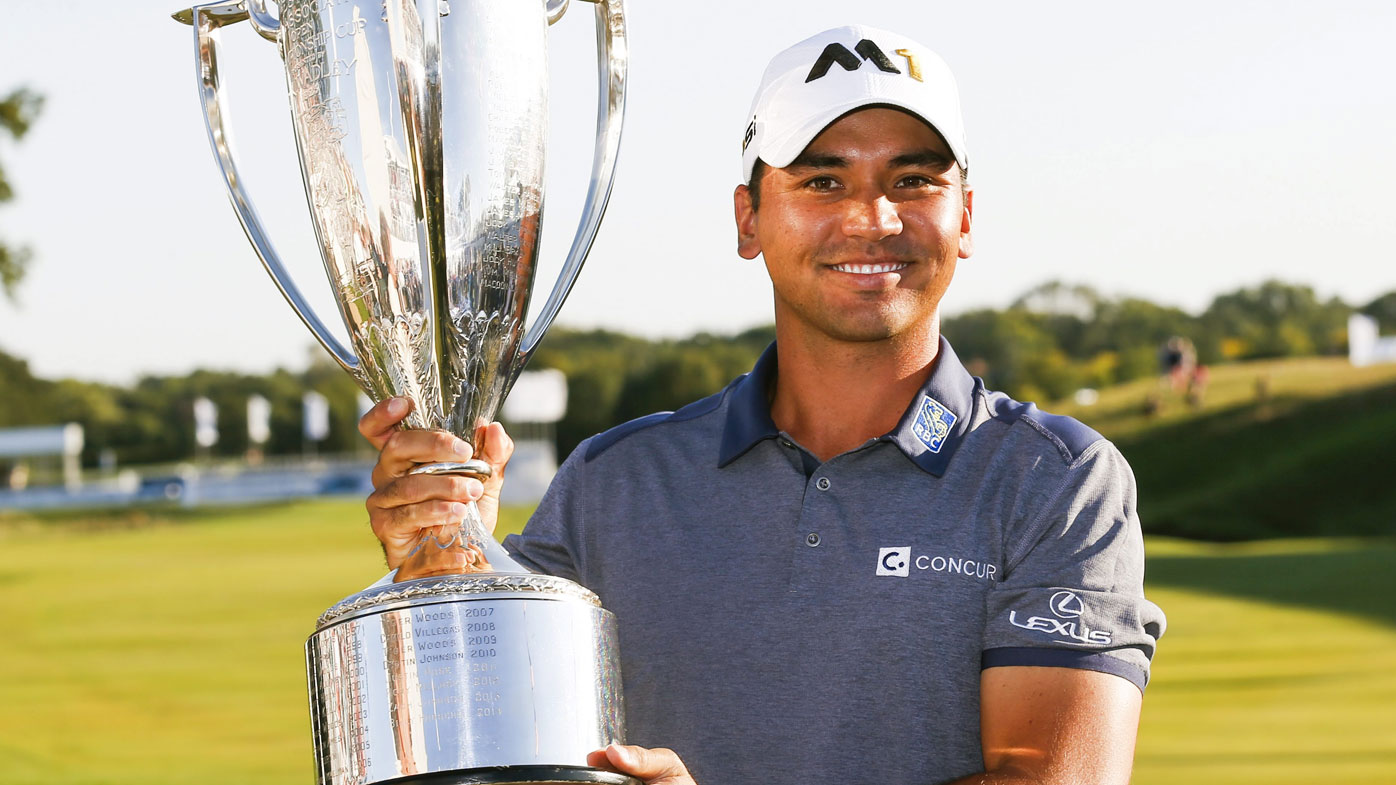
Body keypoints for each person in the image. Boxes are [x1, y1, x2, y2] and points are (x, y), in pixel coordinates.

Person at [359, 24, 1165, 785]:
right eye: (823, 180)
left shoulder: (1053, 480)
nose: (872, 219)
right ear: (749, 219)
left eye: (913, 180)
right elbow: (499, 735)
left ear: (965, 219)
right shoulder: (615, 482)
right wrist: (449, 557)